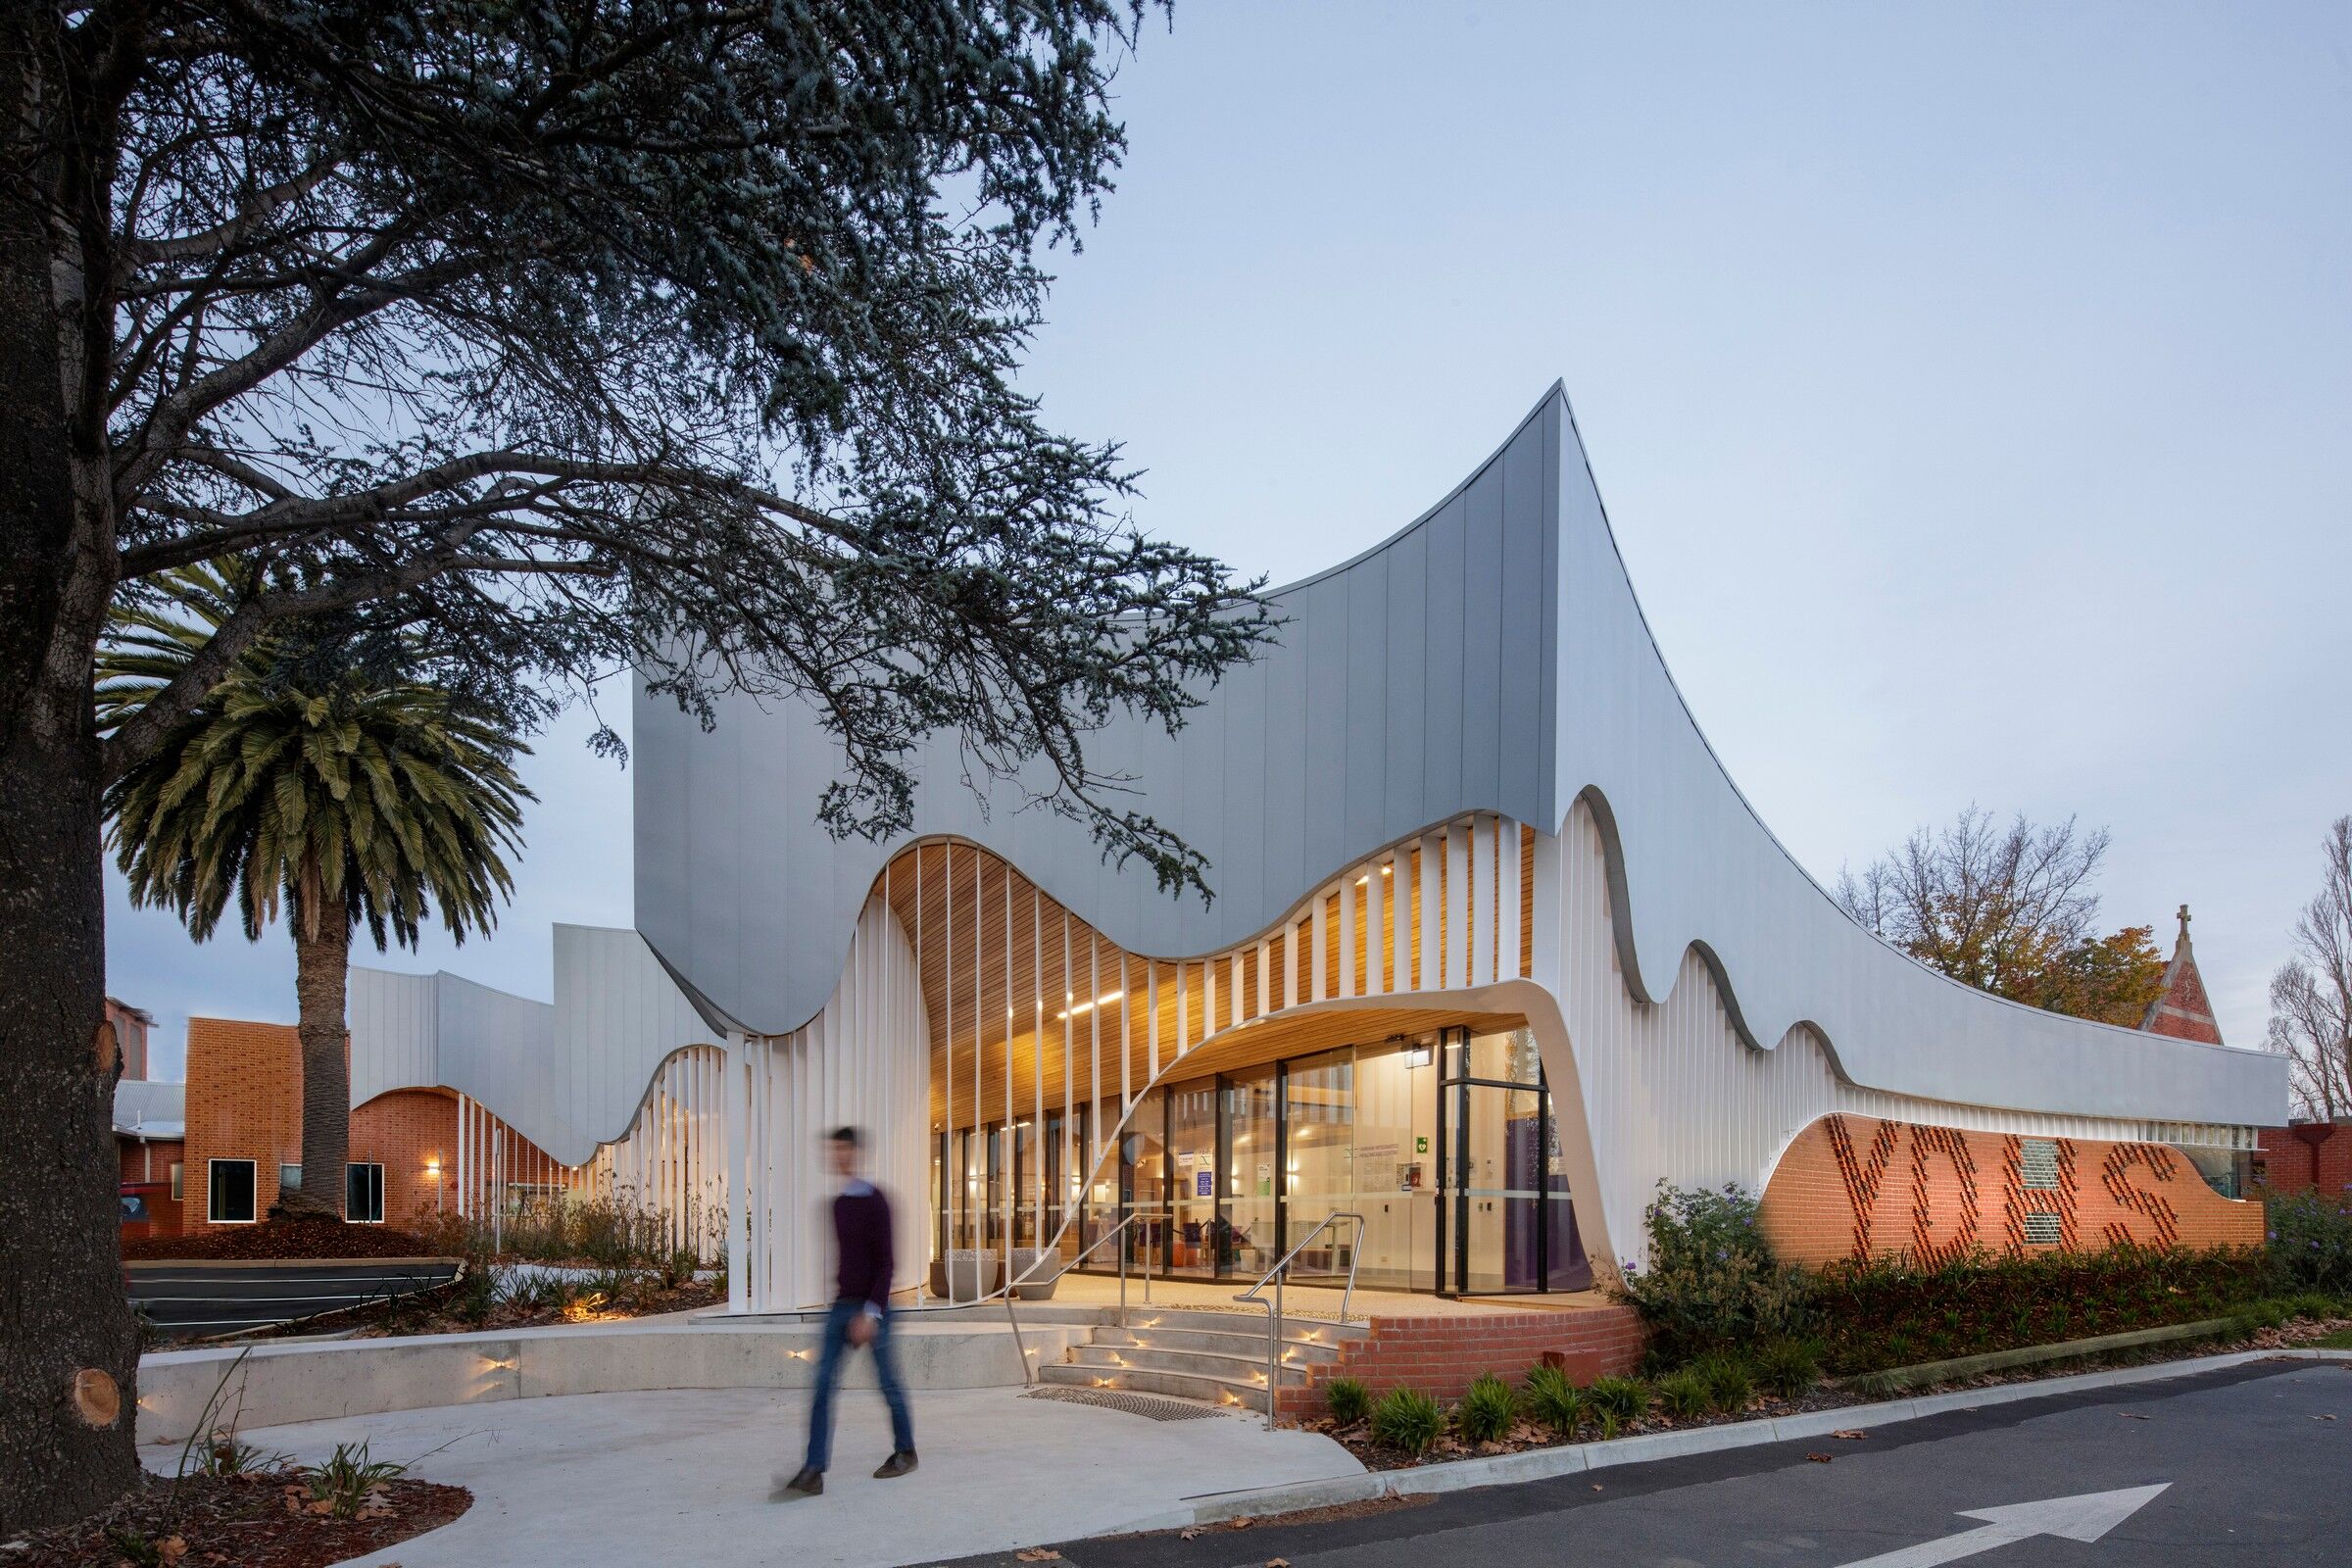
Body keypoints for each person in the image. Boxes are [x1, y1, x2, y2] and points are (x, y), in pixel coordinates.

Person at [775, 1126, 916, 1498]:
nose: (838, 1158)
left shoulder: (876, 1200)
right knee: (822, 1385)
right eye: (833, 1151)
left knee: (889, 1384)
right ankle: (813, 1470)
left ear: (856, 1153)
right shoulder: (837, 1205)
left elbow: (886, 1264)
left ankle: (906, 1451)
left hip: (873, 1310)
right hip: (841, 1307)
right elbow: (847, 1261)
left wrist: (870, 1314)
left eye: (843, 1150)